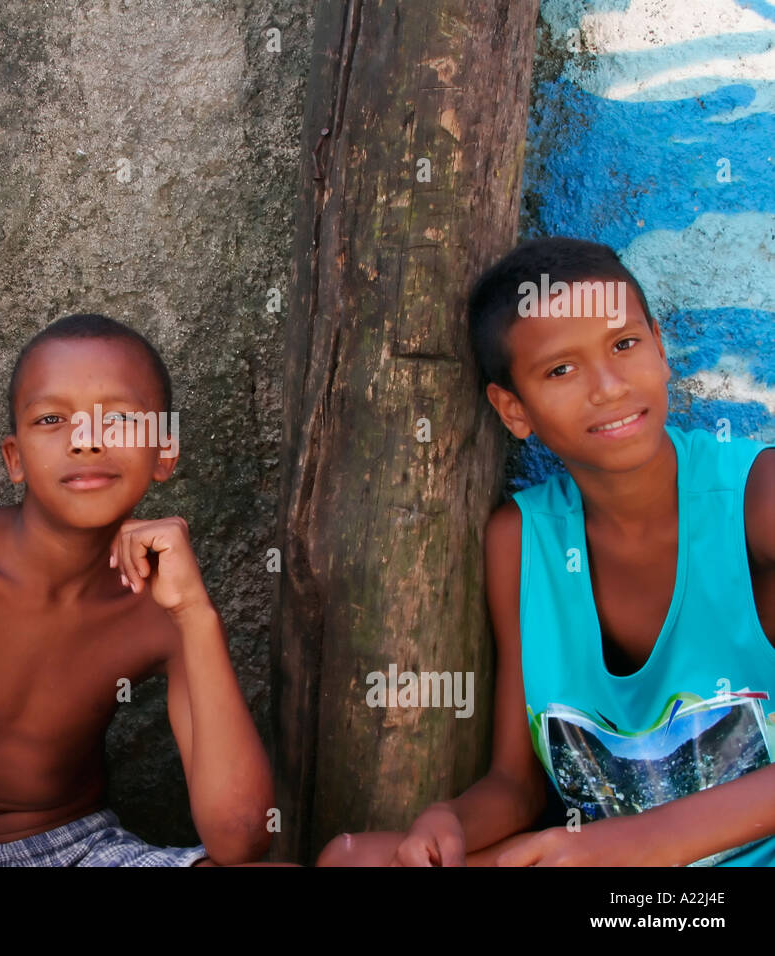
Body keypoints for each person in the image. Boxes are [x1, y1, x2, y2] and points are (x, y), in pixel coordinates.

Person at [319, 237, 775, 866]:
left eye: (624, 345)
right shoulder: (522, 542)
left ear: (660, 348)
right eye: (561, 370)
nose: (610, 387)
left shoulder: (758, 501)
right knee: (353, 861)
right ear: (513, 409)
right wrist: (451, 820)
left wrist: (631, 845)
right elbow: (516, 782)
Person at [0, 313, 274, 866]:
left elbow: (242, 841)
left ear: (165, 451)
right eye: (51, 419)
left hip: (83, 849)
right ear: (14, 459)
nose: (87, 441)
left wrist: (194, 615)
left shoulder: (162, 599)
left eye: (118, 419)